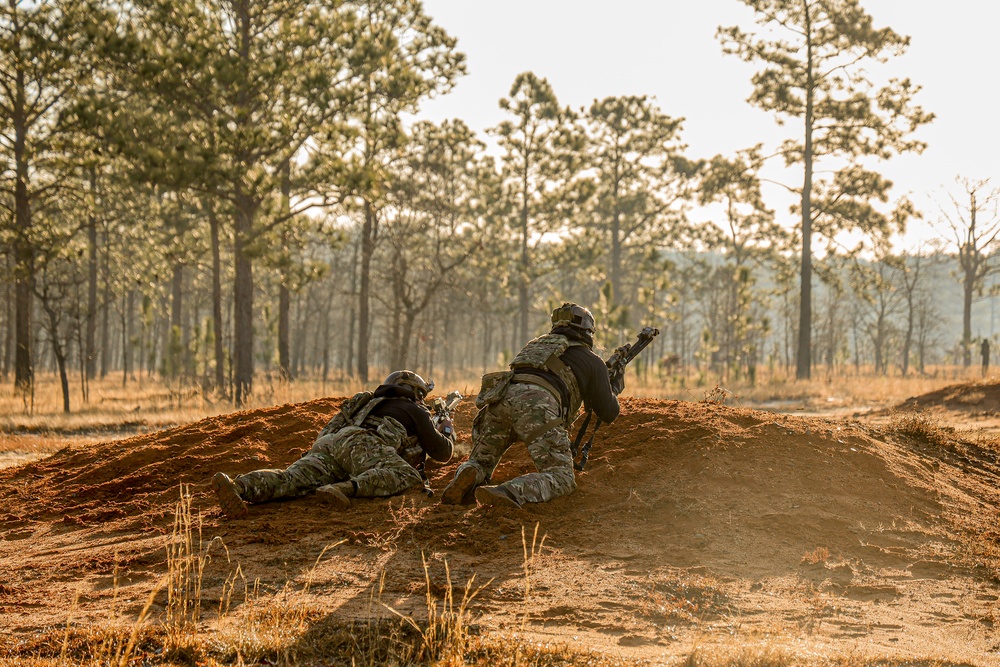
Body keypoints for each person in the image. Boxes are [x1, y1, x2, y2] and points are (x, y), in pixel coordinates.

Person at [441, 303, 621, 509]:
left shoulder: (536, 345)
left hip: (499, 401)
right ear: (588, 330)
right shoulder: (591, 360)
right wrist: (614, 386)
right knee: (561, 478)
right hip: (537, 406)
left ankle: (471, 471)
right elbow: (608, 412)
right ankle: (510, 491)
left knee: (483, 461)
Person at [212, 370, 455, 519]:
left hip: (331, 443)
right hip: (360, 446)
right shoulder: (414, 409)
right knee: (408, 476)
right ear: (413, 392)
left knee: (291, 479)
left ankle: (239, 486)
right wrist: (446, 429)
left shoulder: (368, 403)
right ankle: (345, 488)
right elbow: (442, 453)